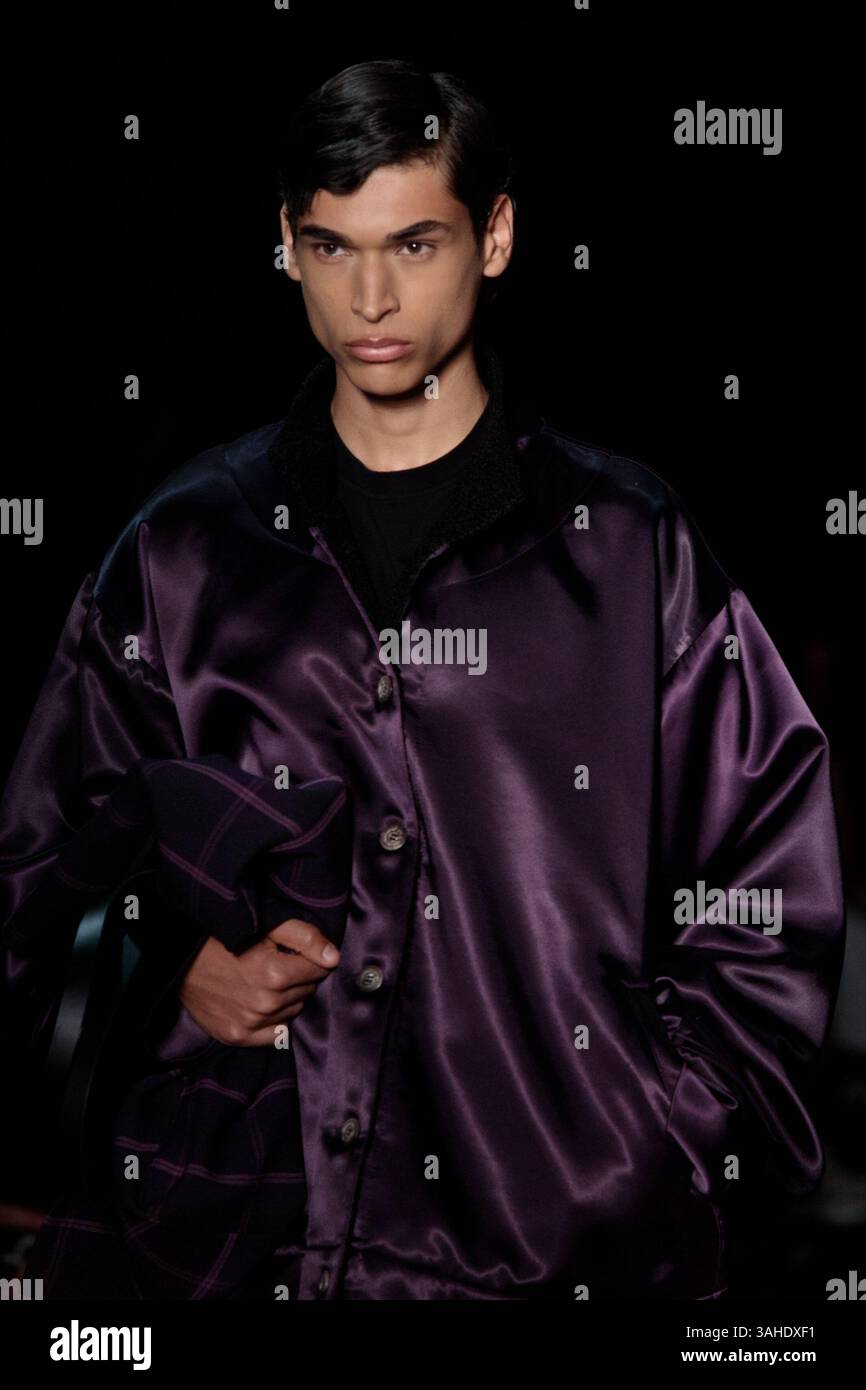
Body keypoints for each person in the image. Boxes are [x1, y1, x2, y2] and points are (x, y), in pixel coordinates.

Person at [0, 58, 845, 1301]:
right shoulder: (185, 549)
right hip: (229, 1250)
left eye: (414, 242)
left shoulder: (629, 547)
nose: (370, 297)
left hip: (561, 1262)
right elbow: (50, 856)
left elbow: (768, 868)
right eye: (329, 247)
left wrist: (654, 1136)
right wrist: (166, 967)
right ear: (285, 248)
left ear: (493, 237)